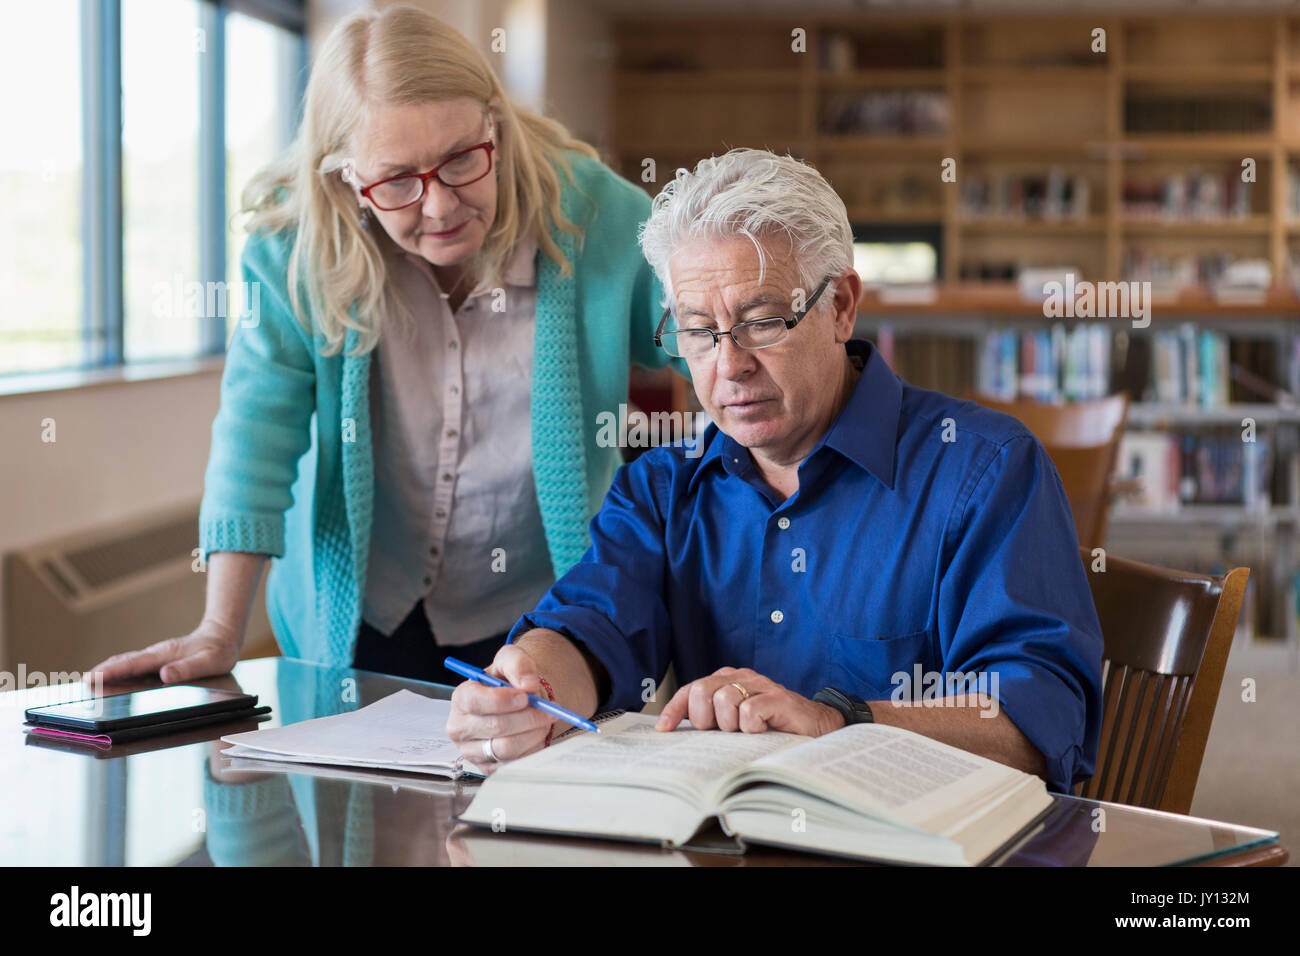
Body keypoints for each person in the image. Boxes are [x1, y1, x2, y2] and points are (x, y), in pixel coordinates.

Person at [447, 148, 1104, 793]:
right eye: (698, 330)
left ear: (842, 306)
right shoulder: (662, 486)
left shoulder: (983, 469)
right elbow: (591, 624)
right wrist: (532, 683)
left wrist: (839, 723)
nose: (728, 366)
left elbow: (1040, 717)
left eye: (762, 322)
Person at [91, 5, 677, 688]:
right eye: (396, 181)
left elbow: (711, 341)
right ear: (346, 176)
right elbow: (258, 433)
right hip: (364, 610)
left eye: (461, 159)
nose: (439, 206)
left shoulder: (599, 218)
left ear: (496, 123)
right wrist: (221, 630)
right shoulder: (293, 248)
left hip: (537, 612)